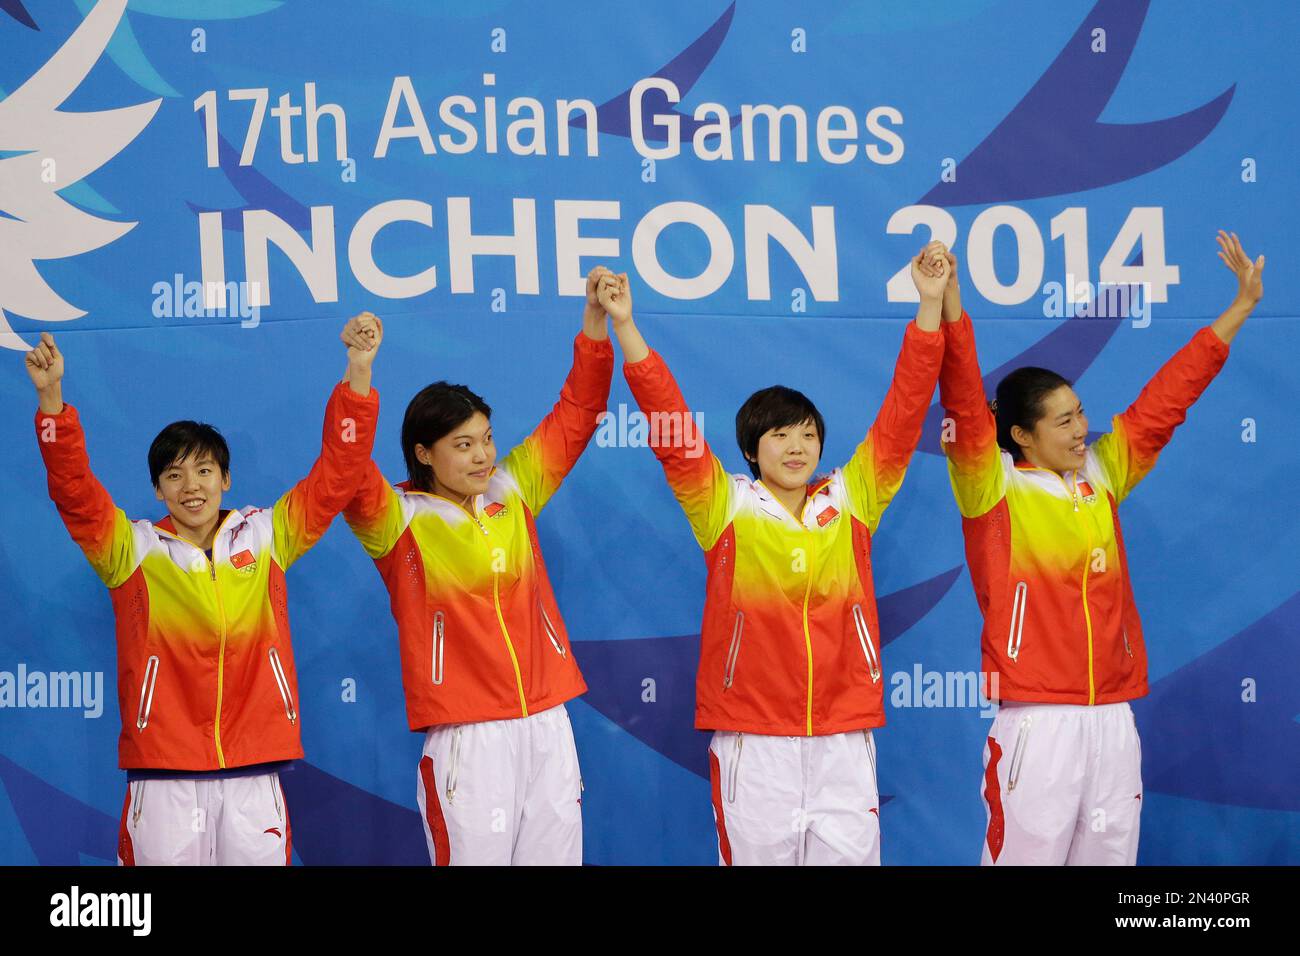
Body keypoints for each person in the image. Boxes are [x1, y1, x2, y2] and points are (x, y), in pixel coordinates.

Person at [596, 253, 948, 865]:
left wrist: (927, 305)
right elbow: (670, 424)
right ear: (752, 450)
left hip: (843, 738)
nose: (797, 446)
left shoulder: (854, 496)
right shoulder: (723, 505)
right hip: (753, 743)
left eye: (808, 434)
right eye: (780, 435)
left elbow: (904, 411)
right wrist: (625, 326)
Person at [930, 232, 1265, 865]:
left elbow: (1168, 400)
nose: (1083, 428)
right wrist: (950, 303)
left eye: (1081, 412)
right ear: (1022, 434)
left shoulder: (1102, 477)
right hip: (1038, 722)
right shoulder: (991, 488)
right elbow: (966, 404)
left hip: (1112, 717)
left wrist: (1239, 309)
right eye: (1063, 420)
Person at [26, 315, 382, 865]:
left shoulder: (267, 537)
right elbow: (74, 493)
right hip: (165, 772)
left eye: (204, 471)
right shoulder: (131, 551)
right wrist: (52, 402)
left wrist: (358, 374)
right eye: (174, 475)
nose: (191, 487)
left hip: (254, 768)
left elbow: (338, 474)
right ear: (157, 488)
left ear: (226, 479)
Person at [342, 269, 616, 866]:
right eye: (463, 444)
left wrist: (594, 322)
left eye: (486, 439)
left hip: (546, 719)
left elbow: (581, 409)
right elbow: (344, 465)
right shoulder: (397, 520)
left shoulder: (511, 491)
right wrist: (358, 374)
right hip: (468, 735)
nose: (482, 454)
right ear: (423, 452)